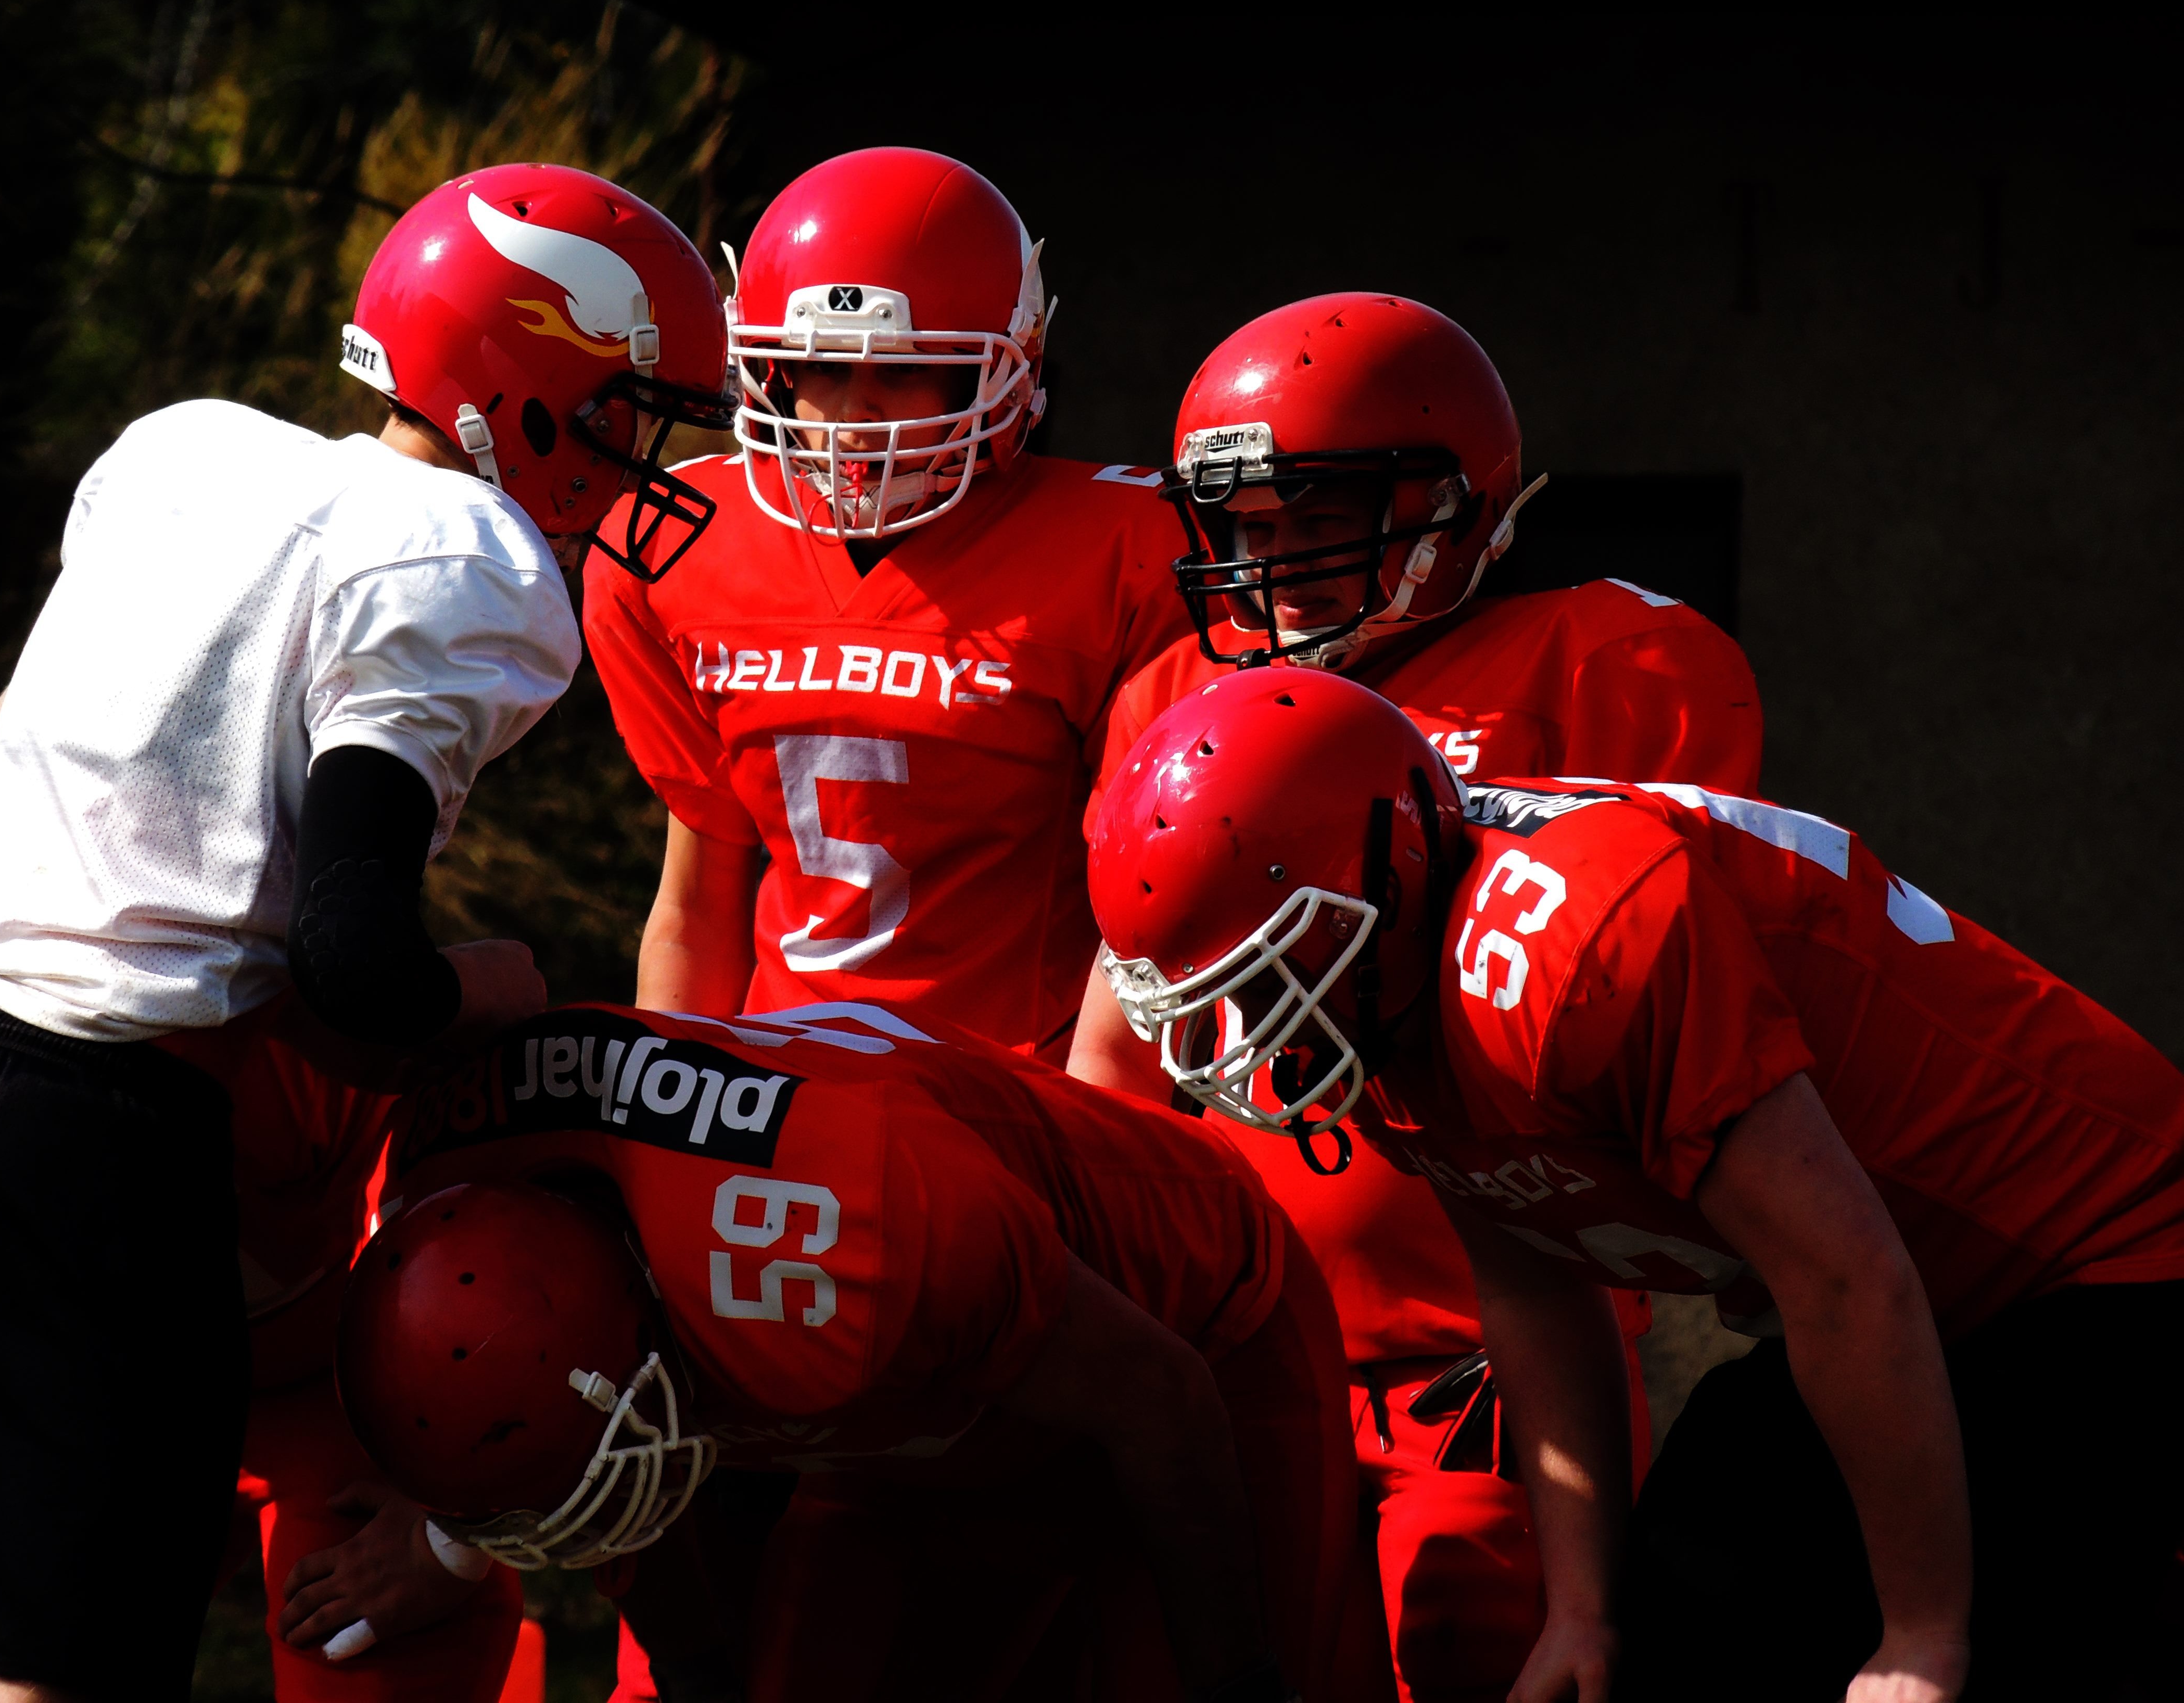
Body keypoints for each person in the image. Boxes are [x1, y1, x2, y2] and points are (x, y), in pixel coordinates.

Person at [0, 163, 729, 1702]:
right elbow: (354, 964)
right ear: (535, 377)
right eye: (630, 408)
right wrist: (493, 988)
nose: (640, 455)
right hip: (98, 1153)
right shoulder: (461, 566)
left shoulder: (188, 462)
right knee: (58, 1674)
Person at [1087, 666, 2184, 1703]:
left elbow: (1848, 1282)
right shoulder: (1386, 964)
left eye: (1270, 969)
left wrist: (1922, 1641)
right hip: (1912, 1293)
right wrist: (1583, 1613)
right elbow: (1531, 1282)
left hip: (2102, 1259)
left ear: (1381, 873)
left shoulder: (1576, 939)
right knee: (1683, 1599)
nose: (1249, 1032)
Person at [1067, 293, 1762, 1701]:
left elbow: (1660, 988)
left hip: (1486, 1360)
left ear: (1456, 497)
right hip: (1247, 1348)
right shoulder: (1172, 697)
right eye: (1245, 527)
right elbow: (1123, 1024)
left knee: (1472, 1648)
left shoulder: (1602, 659)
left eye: (1312, 514)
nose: (1275, 563)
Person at [332, 998, 1392, 1703]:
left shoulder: (839, 1229)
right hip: (910, 1418)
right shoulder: (456, 1240)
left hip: (1194, 1339)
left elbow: (1162, 1400)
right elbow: (605, 1463)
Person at [0, 784, 538, 1703]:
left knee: (373, 1625)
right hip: (45, 1406)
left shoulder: (285, 1031)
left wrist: (455, 1525)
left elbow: (520, 1269)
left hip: (332, 1381)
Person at [582, 145, 1190, 1061]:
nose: (855, 413)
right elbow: (698, 900)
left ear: (1007, 371)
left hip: (1012, 1090)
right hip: (778, 1084)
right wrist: (673, 1106)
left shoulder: (1129, 550)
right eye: (821, 368)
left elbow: (1148, 917)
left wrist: (1096, 1141)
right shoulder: (679, 549)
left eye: (902, 371)